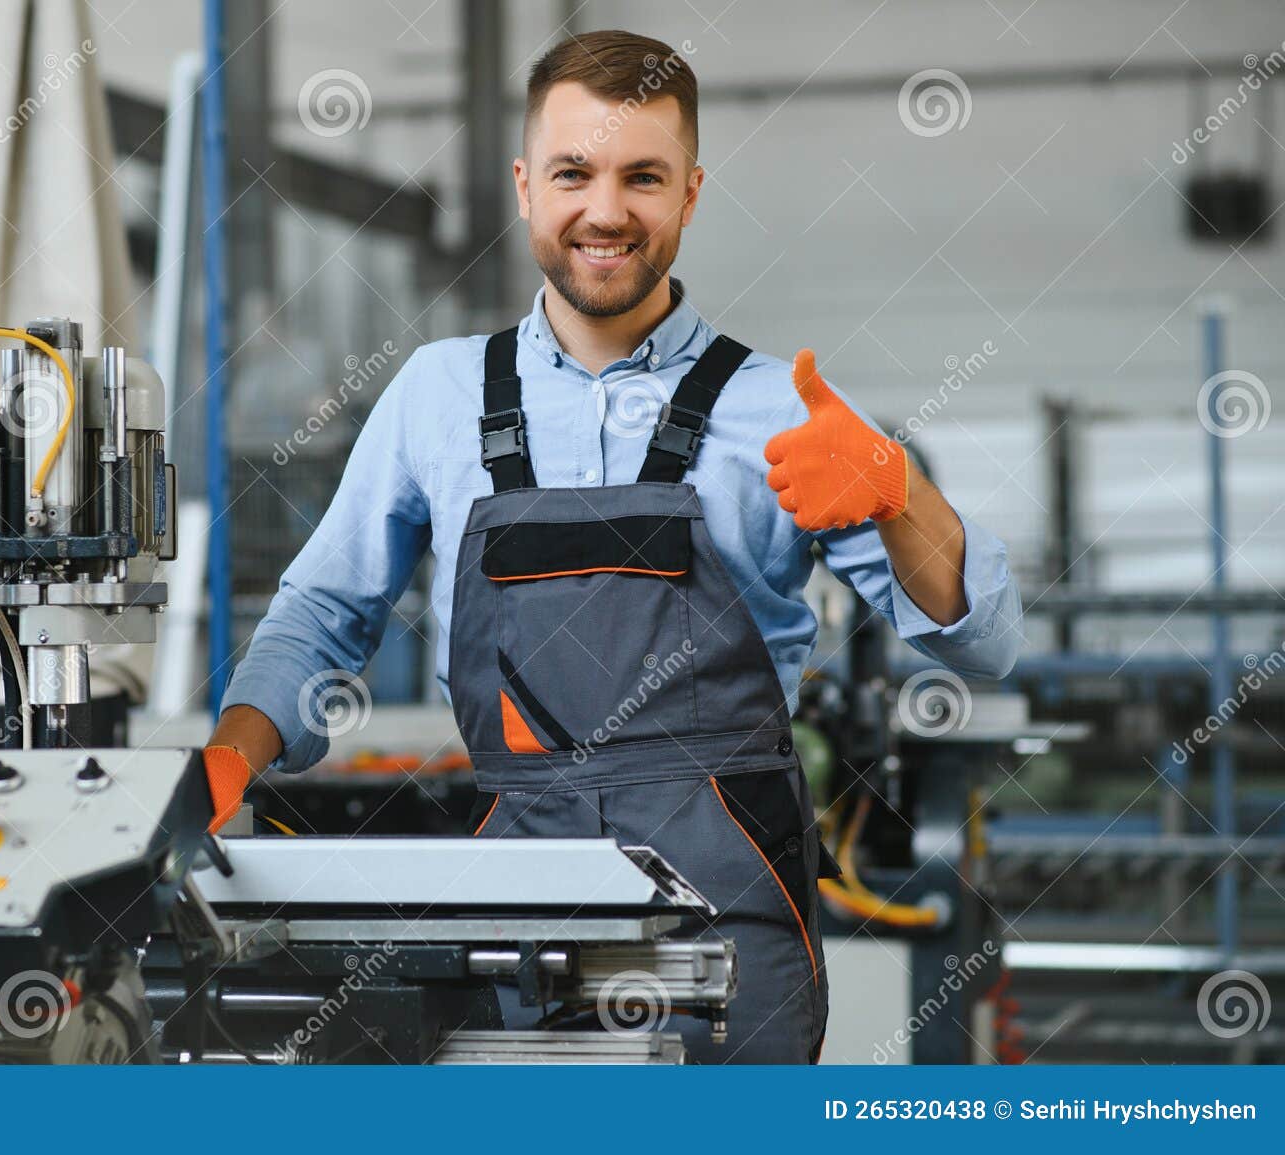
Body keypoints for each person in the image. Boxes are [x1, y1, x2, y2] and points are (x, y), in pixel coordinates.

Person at [202, 29, 1021, 1063]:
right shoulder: (437, 394)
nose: (604, 210)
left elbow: (984, 646)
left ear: (688, 192)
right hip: (514, 904)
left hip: (729, 898)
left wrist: (902, 493)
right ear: (523, 186)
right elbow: (323, 611)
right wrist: (231, 755)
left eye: (642, 176)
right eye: (572, 173)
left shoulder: (782, 407)